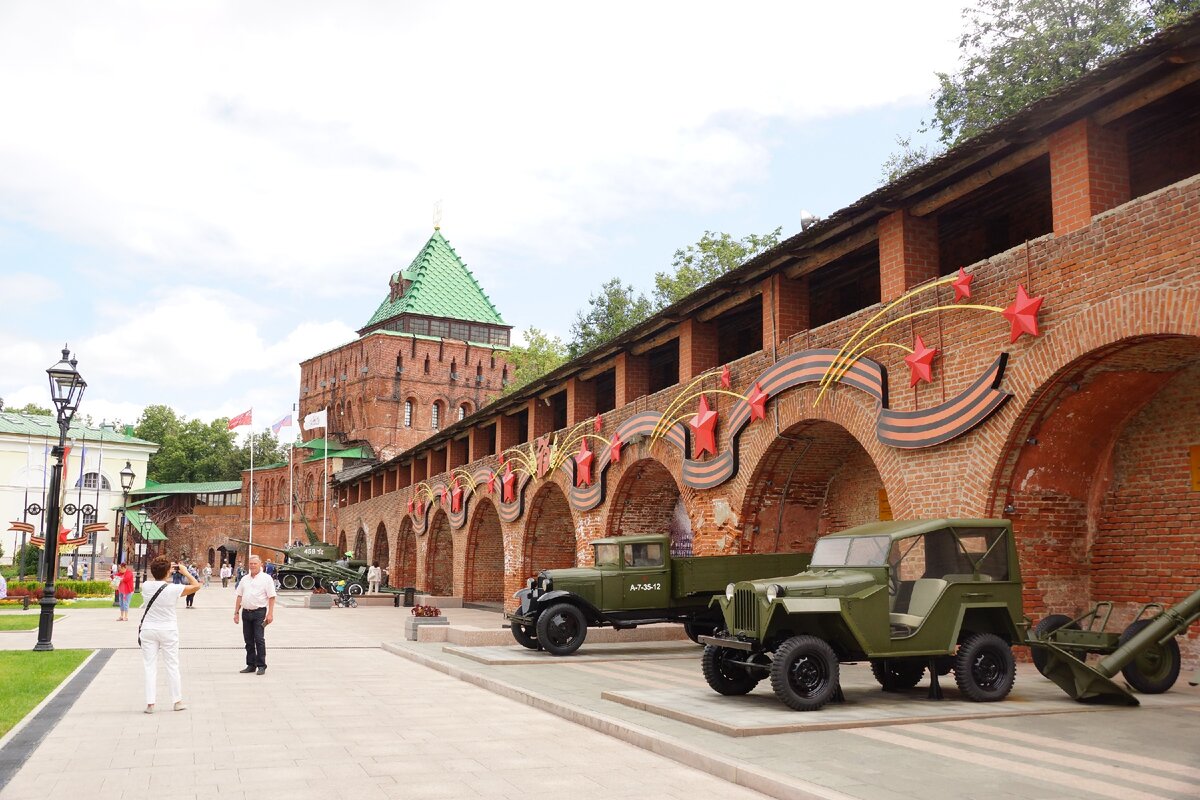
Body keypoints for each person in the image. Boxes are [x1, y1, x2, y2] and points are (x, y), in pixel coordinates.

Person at [139, 555, 200, 714]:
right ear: (168, 572)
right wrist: (185, 572)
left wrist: (165, 569)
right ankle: (177, 701)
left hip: (148, 629)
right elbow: (196, 586)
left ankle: (150, 704)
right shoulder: (174, 589)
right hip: (168, 629)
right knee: (172, 665)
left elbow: (157, 577)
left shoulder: (146, 585)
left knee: (149, 666)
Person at [233, 555, 276, 675]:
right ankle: (251, 664)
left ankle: (261, 665)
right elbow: (239, 596)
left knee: (259, 639)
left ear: (260, 564)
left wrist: (270, 614)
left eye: (255, 564)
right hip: (246, 613)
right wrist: (236, 612)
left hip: (259, 613)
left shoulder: (266, 579)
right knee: (248, 640)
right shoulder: (245, 579)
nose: (252, 566)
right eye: (251, 564)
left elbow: (271, 597)